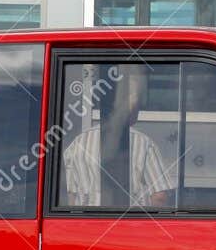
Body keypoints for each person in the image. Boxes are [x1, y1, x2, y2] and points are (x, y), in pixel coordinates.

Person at [61, 70, 175, 208]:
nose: (138, 107)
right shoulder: (144, 144)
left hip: (87, 225)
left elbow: (70, 196)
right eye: (137, 102)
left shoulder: (77, 143)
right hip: (131, 226)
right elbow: (159, 197)